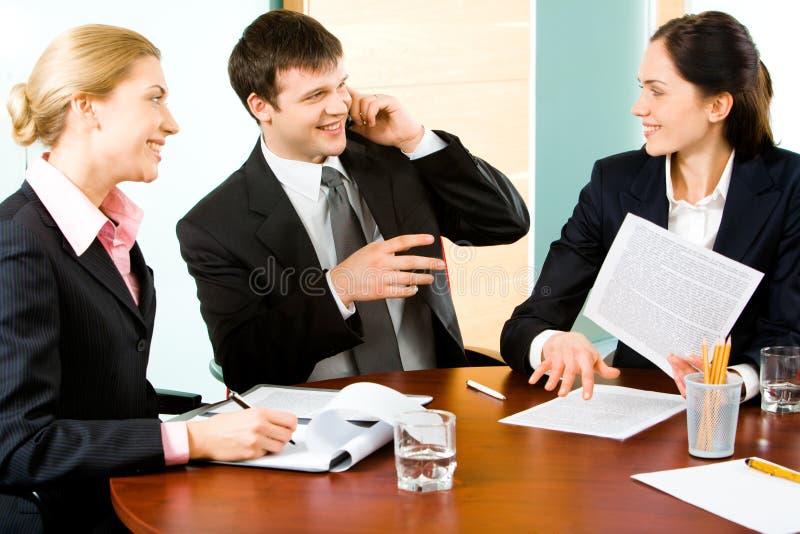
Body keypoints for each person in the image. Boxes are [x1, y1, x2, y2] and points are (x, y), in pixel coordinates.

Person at [0, 25, 297, 532]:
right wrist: (194, 440)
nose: (172, 123)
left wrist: (204, 416)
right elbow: (20, 445)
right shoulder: (18, 242)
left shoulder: (110, 231)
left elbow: (98, 393)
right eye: (154, 99)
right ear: (87, 107)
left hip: (121, 504)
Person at [177, 10, 529, 392]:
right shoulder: (214, 225)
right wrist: (339, 288)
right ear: (261, 106)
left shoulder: (394, 159)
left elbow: (505, 222)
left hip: (433, 404)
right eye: (315, 96)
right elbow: (243, 365)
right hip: (315, 431)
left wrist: (416, 139)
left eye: (340, 86)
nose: (339, 107)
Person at [501, 11, 800, 401]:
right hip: (637, 413)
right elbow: (527, 323)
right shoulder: (613, 182)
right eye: (641, 89)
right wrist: (551, 341)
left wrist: (733, 383)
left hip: (745, 421)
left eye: (657, 91)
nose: (639, 107)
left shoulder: (790, 185)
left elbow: (790, 335)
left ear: (717, 106)